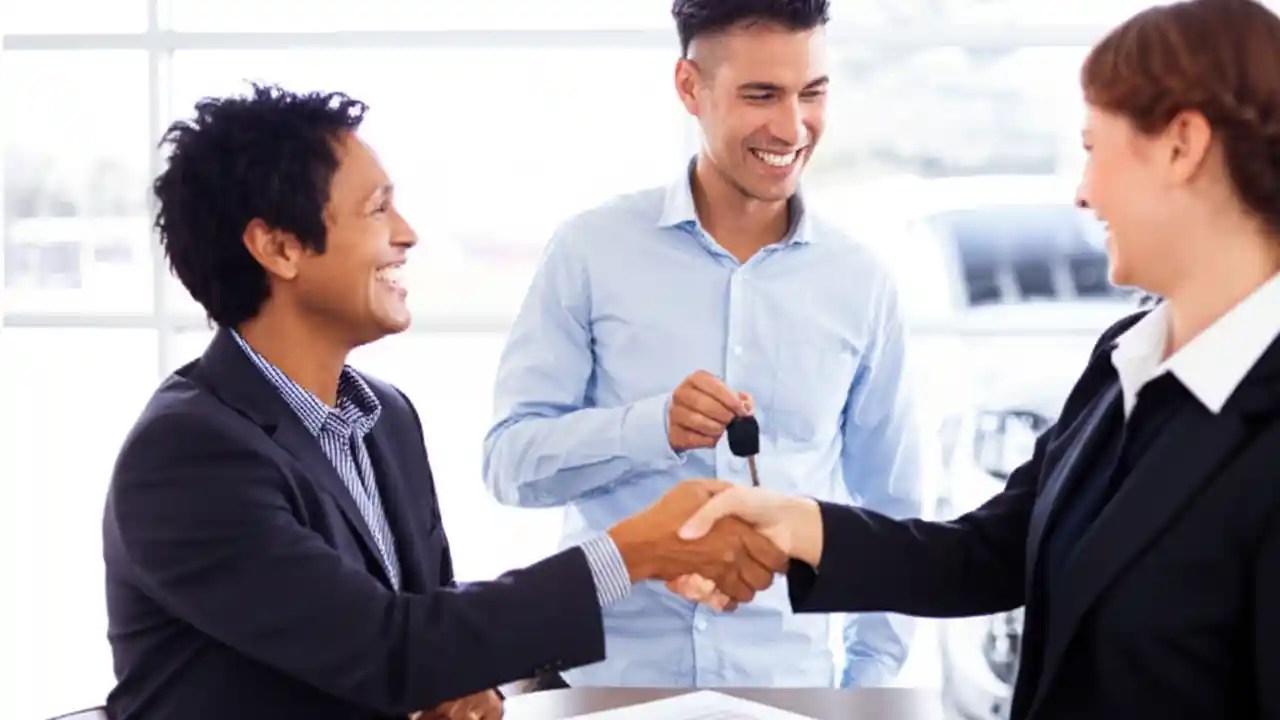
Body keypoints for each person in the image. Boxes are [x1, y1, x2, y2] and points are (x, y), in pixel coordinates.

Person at [101, 84, 788, 720]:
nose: (407, 234)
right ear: (279, 247)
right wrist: (633, 552)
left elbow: (427, 630)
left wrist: (465, 684)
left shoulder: (382, 418)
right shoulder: (190, 455)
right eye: (377, 209)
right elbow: (391, 651)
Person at [676, 1, 1280, 717]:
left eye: (1093, 148)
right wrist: (797, 524)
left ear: (1182, 145)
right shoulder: (1129, 357)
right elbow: (995, 554)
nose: (1082, 194)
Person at [481, 0, 922, 690]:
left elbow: (892, 508)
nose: (792, 126)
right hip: (601, 684)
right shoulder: (591, 251)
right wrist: (650, 428)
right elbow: (510, 466)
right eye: (760, 95)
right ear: (690, 87)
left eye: (812, 93)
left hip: (787, 688)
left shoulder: (860, 281)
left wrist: (863, 687)